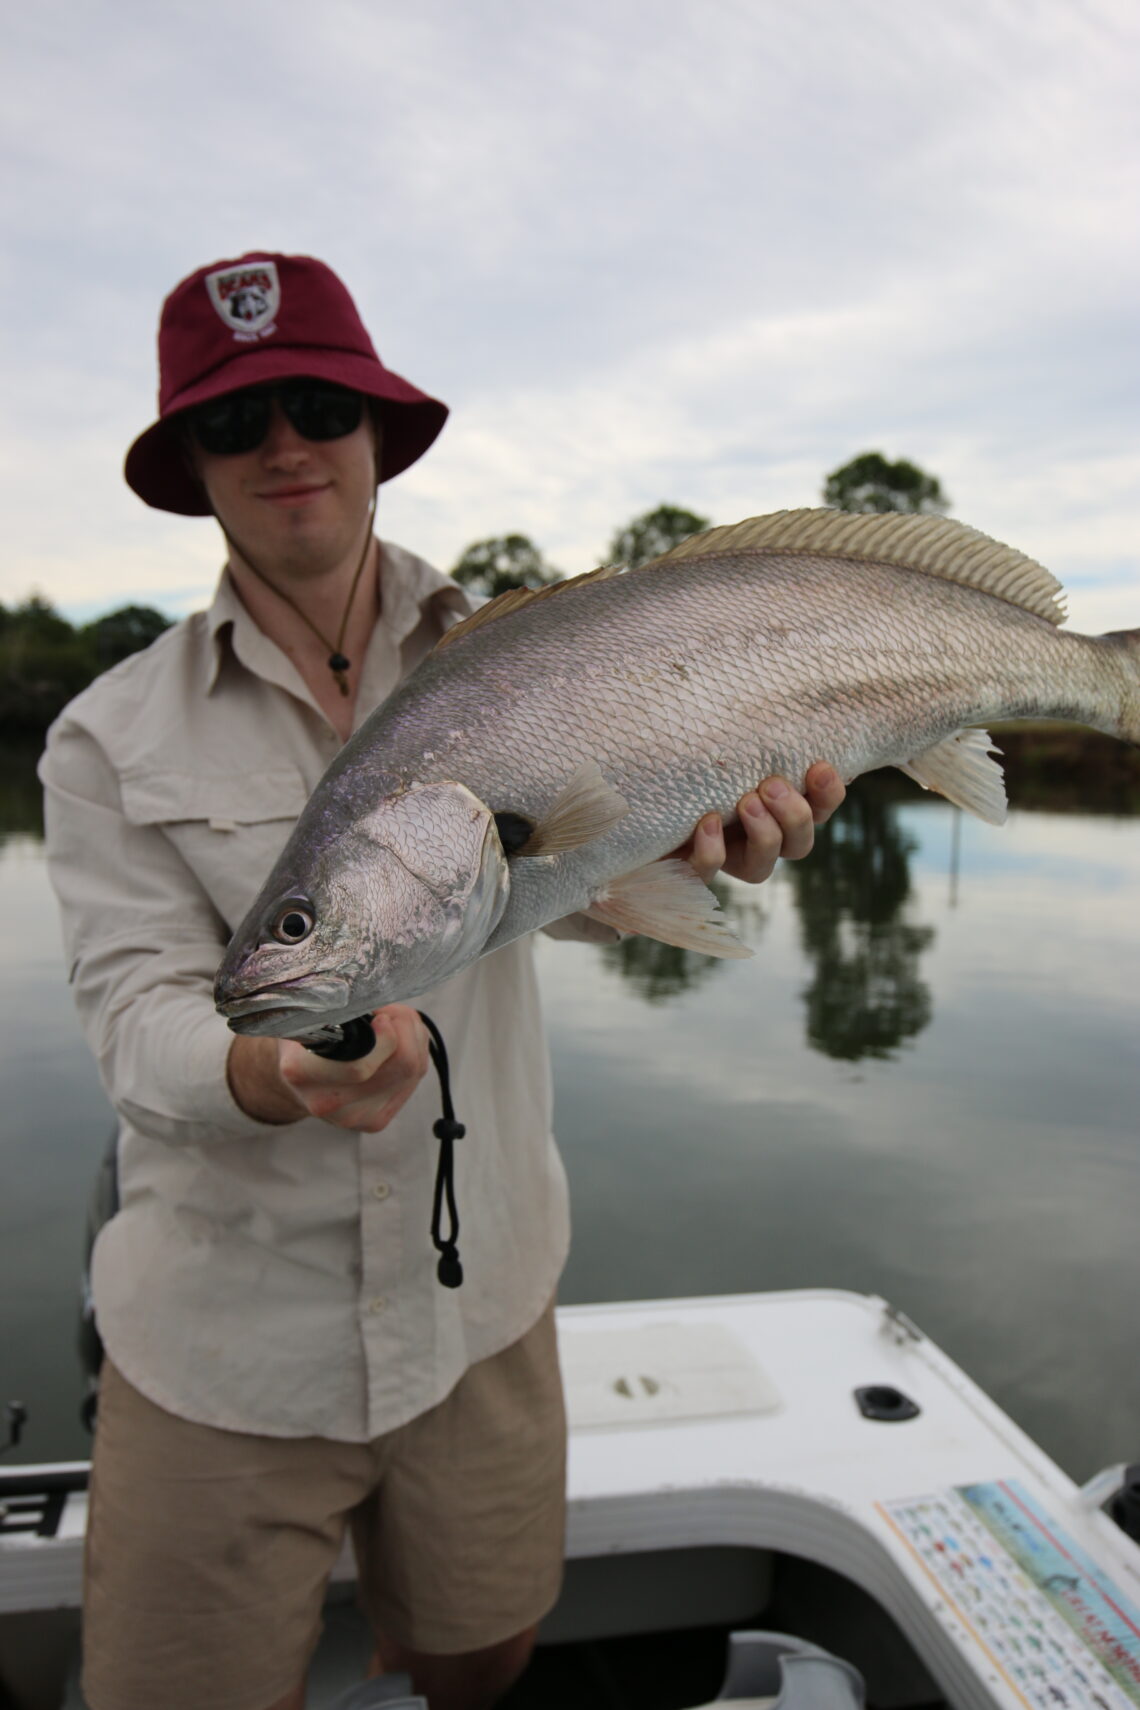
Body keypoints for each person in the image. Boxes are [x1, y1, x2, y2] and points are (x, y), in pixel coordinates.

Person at [39, 251, 845, 1710]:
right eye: (236, 420)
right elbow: (137, 1020)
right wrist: (271, 1066)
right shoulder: (104, 736)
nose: (284, 443)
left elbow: (601, 889)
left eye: (318, 403)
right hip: (218, 1348)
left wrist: (720, 834)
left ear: (375, 434)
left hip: (479, 1318)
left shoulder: (541, 650)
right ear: (189, 465)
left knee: (485, 1657)